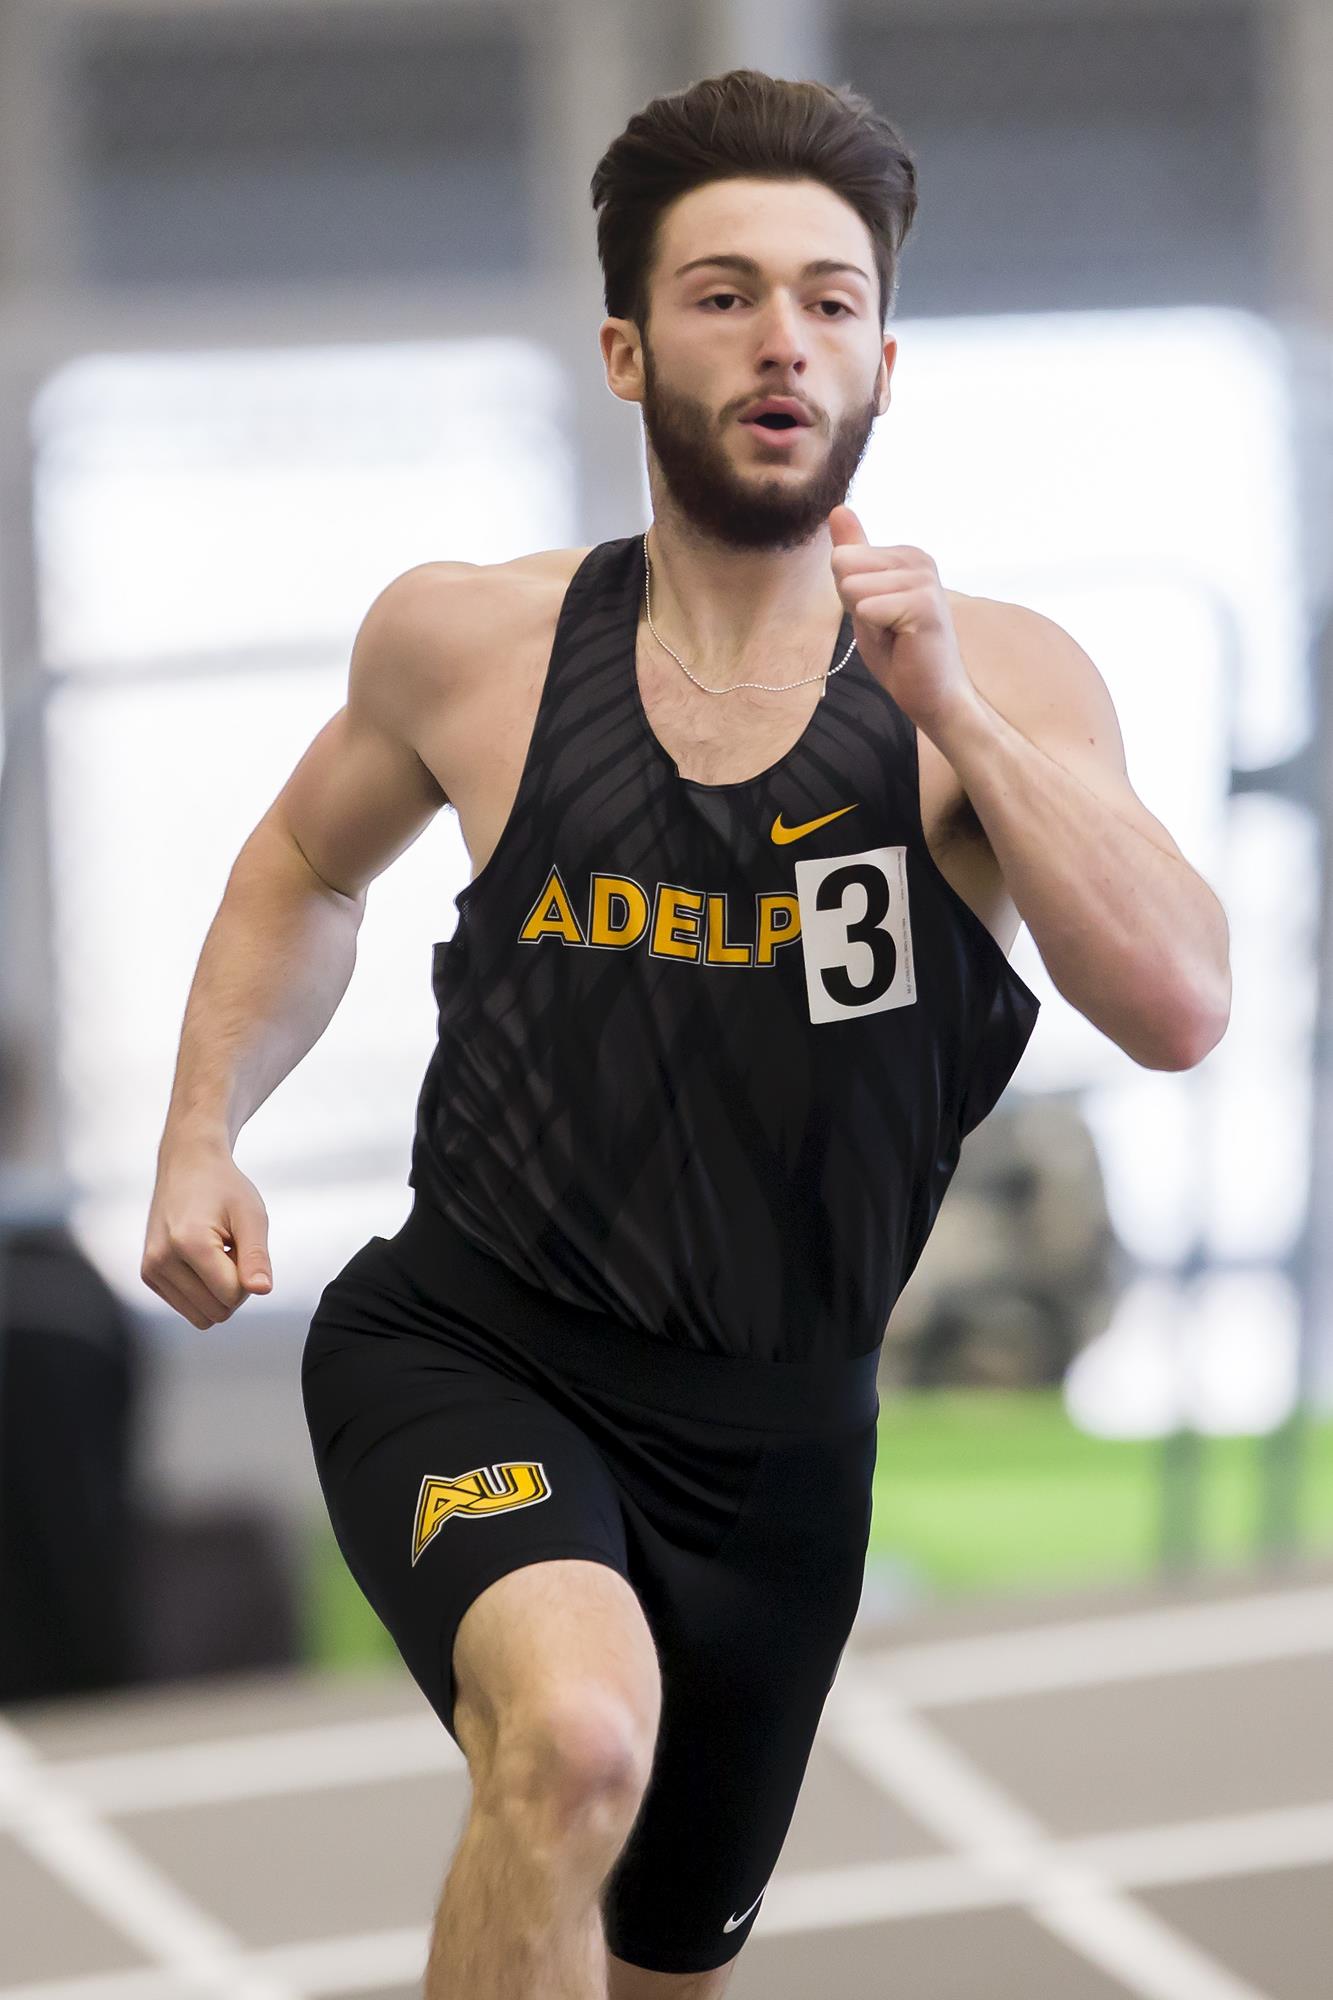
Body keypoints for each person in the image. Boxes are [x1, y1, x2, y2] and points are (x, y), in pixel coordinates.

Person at [141, 67, 1231, 2000]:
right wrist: (203, 1131)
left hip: (779, 1441)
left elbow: (1175, 1003)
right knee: (570, 1745)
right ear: (631, 350)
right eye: (724, 294)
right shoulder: (472, 642)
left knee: (663, 1961)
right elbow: (303, 867)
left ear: (882, 361)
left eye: (826, 297)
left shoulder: (1006, 687)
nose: (780, 336)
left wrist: (959, 721)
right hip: (472, 1350)